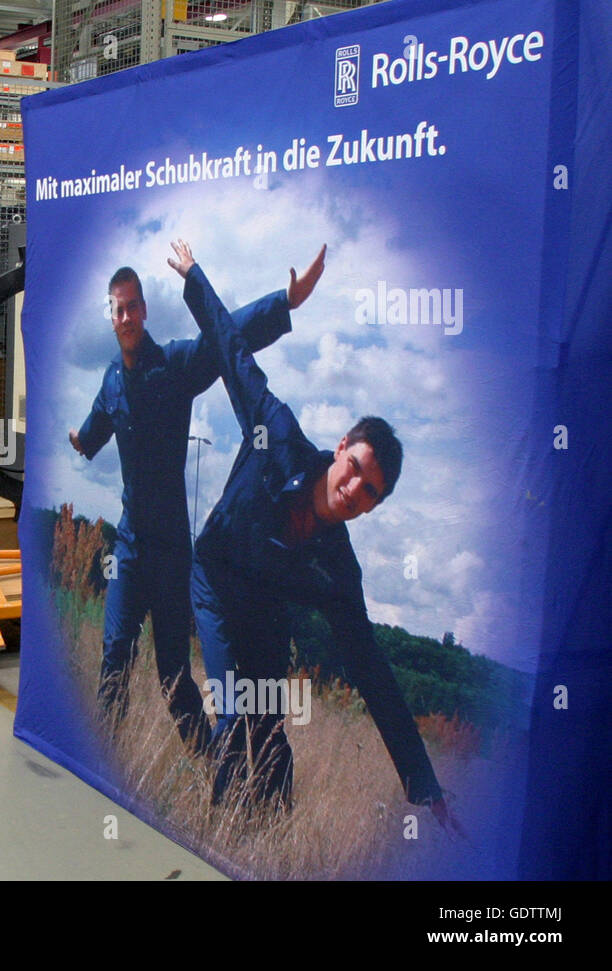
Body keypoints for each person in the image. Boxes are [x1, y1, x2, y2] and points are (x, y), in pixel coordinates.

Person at [169, 238, 461, 832]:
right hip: (218, 577)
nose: (354, 489)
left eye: (370, 491)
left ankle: (269, 846)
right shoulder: (275, 432)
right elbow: (231, 353)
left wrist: (424, 783)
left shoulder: (338, 572)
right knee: (234, 719)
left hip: (268, 606)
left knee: (270, 729)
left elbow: (373, 673)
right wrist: (200, 277)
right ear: (339, 451)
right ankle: (219, 844)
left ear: (374, 508)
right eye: (355, 468)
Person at [69, 245, 325, 743]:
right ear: (111, 315)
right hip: (129, 544)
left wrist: (284, 303)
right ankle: (104, 754)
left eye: (131, 307)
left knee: (172, 676)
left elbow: (227, 337)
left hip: (170, 554)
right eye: (116, 309)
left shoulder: (177, 364)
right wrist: (79, 440)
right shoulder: (110, 381)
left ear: (144, 310)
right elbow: (93, 432)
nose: (124, 317)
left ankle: (212, 762)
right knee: (115, 651)